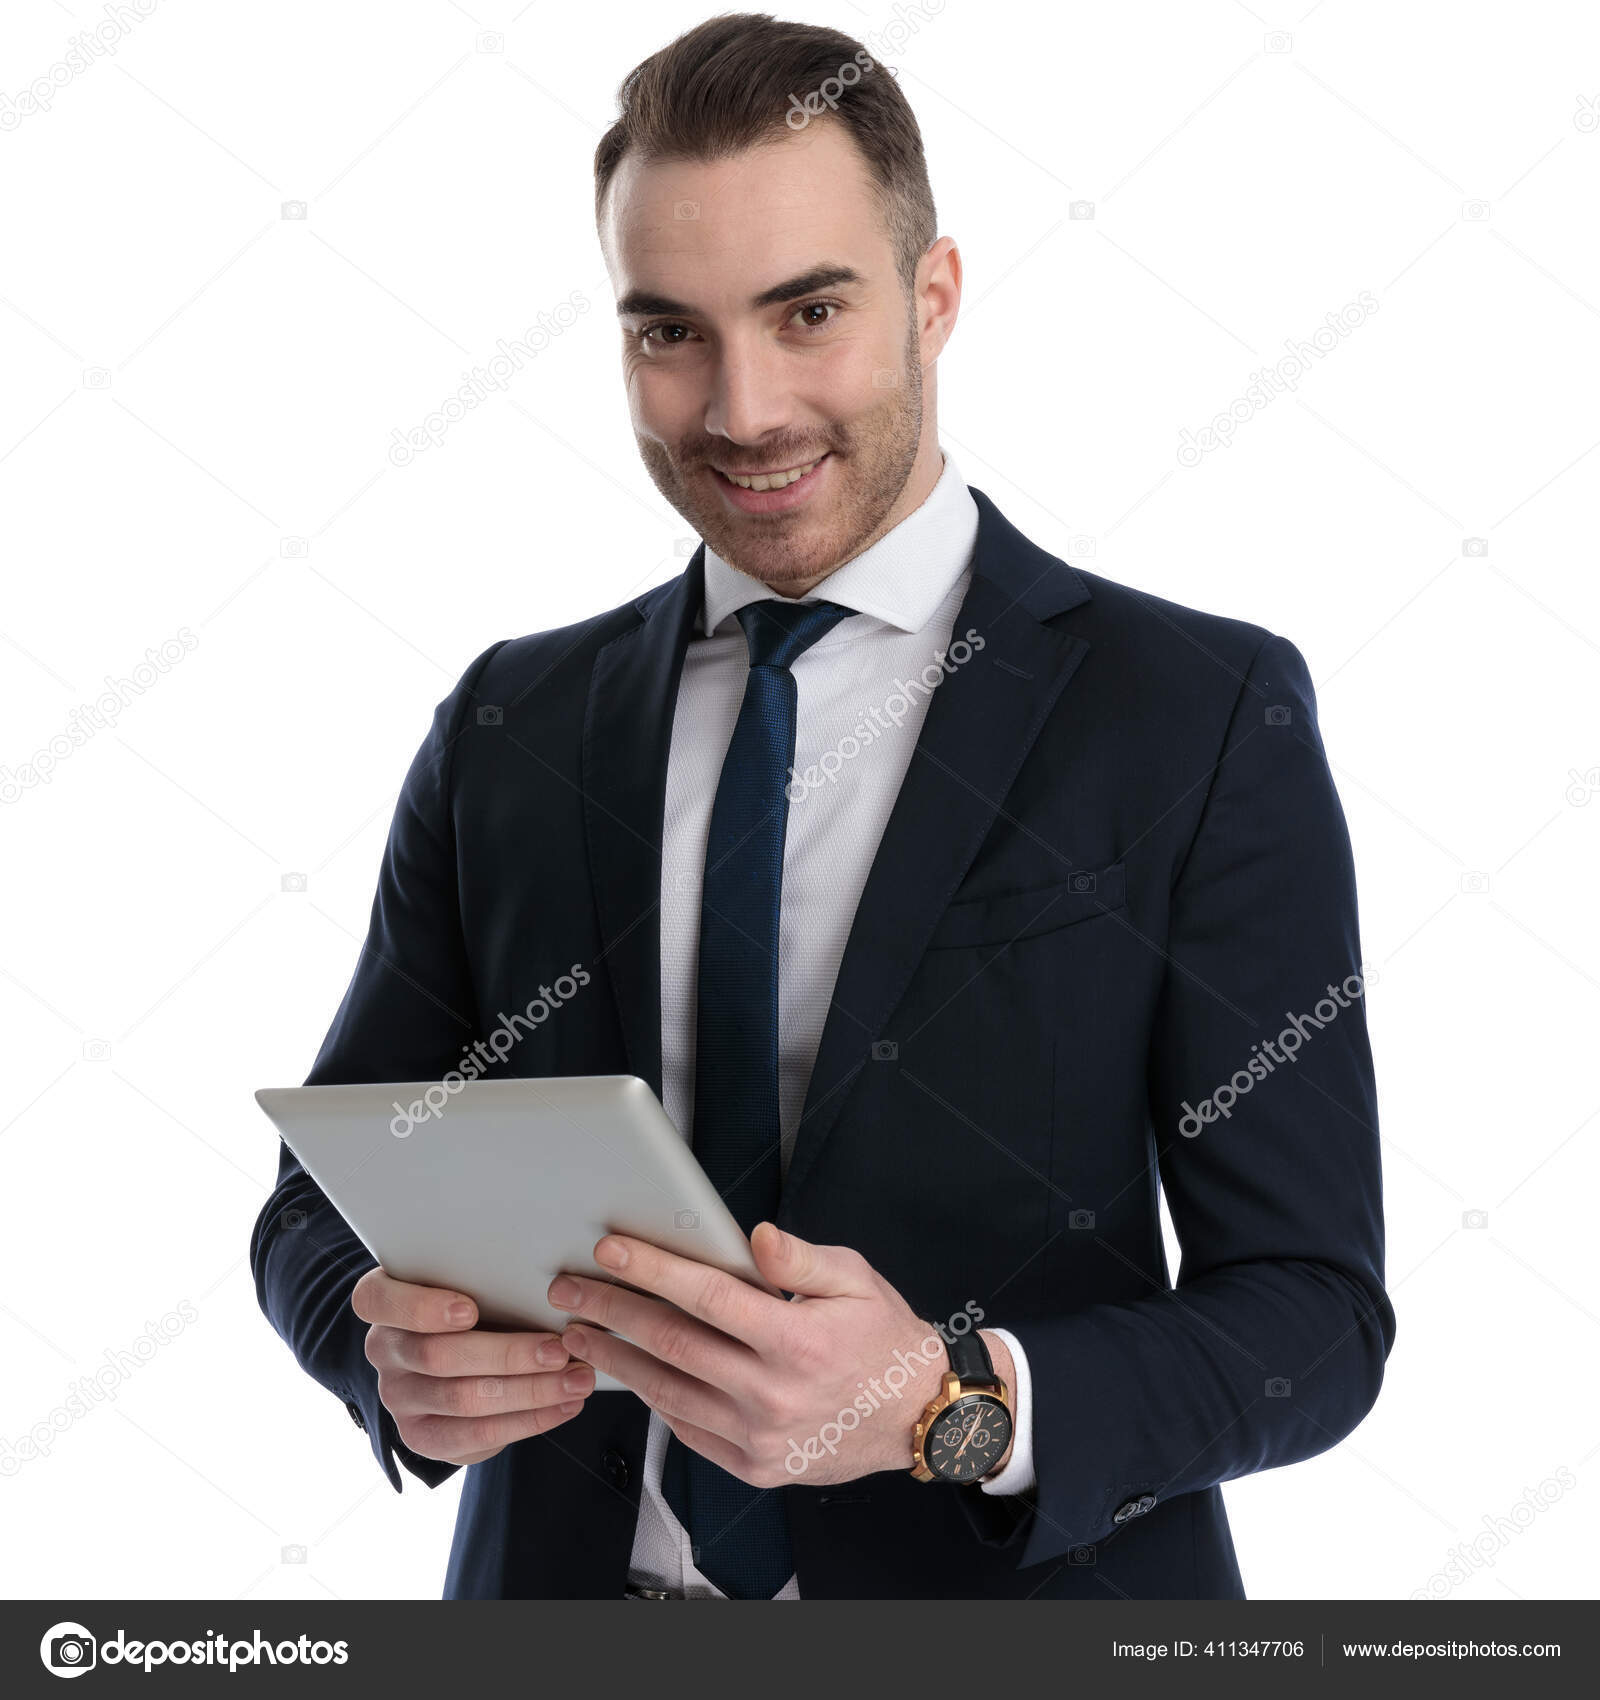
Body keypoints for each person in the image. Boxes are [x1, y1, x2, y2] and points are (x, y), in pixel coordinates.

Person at [250, 12, 1395, 1600]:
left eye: (809, 313)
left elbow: (1316, 1319)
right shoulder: (515, 722)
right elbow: (326, 1192)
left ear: (934, 299)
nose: (743, 410)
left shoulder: (1194, 714)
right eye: (671, 332)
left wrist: (950, 1405)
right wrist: (384, 1354)